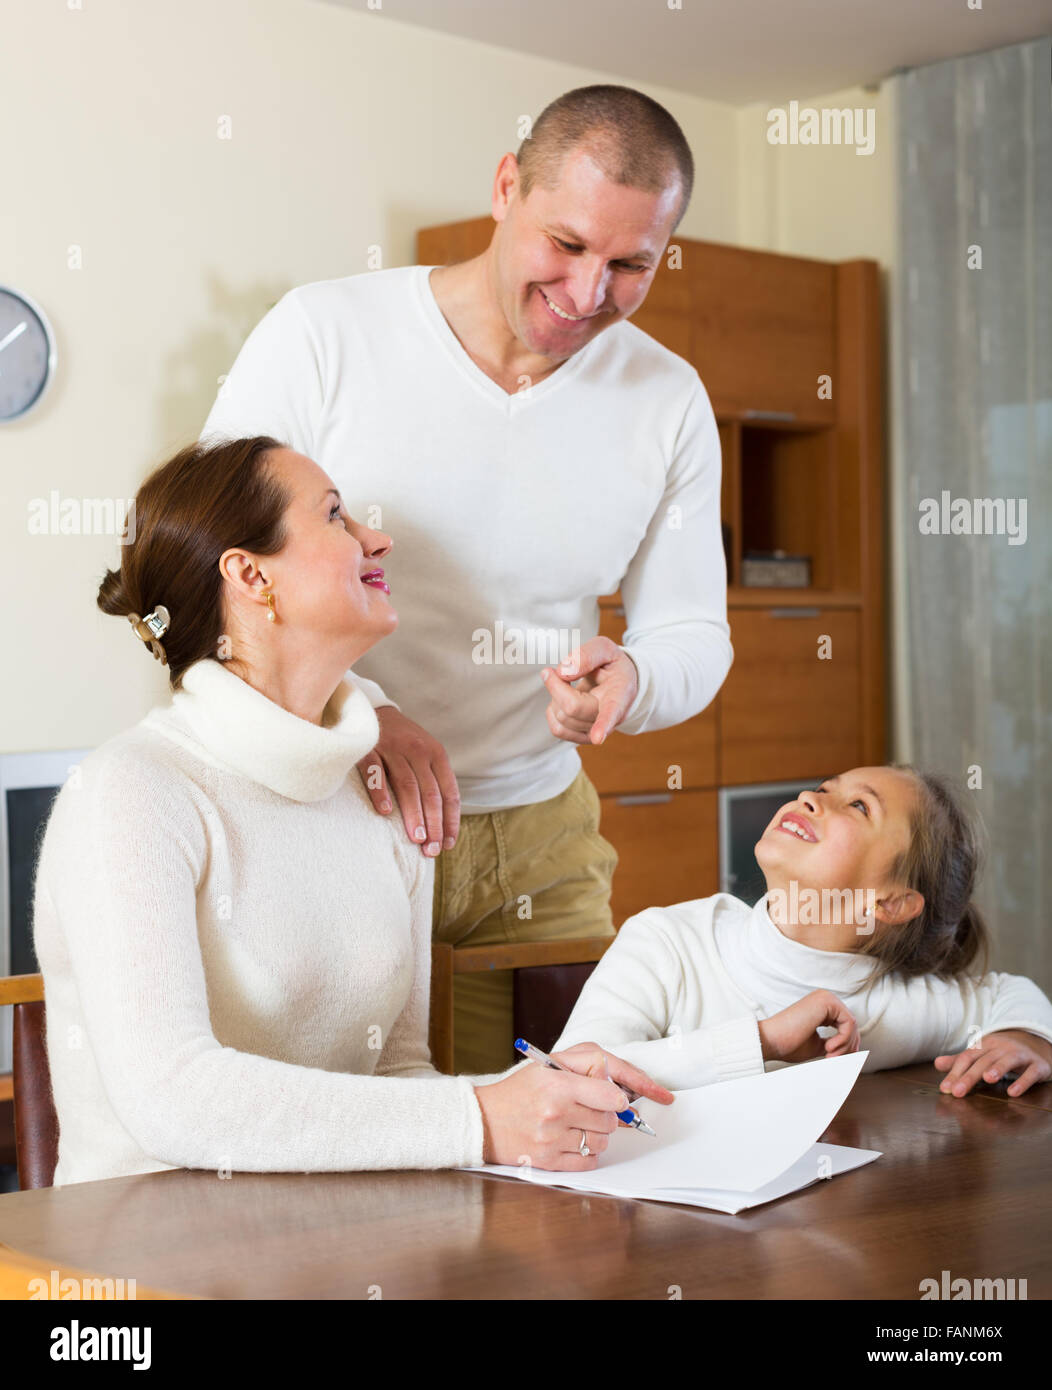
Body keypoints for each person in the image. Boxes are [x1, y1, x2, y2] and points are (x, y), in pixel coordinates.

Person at [199, 84, 732, 1072]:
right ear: (503, 188)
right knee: (349, 1154)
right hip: (336, 816)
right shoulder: (324, 334)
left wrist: (634, 679)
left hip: (542, 837)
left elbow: (693, 631)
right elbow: (199, 580)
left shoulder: (664, 399)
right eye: (565, 245)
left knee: (557, 1144)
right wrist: (358, 711)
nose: (585, 294)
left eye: (628, 265)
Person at [31, 436, 675, 1188]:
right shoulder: (132, 793)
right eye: (336, 516)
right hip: (150, 1263)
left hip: (337, 1243)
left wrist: (541, 1099)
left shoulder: (380, 791)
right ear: (250, 575)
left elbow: (398, 1073)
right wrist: (481, 1116)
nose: (378, 538)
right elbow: (169, 1097)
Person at [552, 765, 1052, 1095]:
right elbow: (566, 1080)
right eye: (824, 788)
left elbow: (1011, 995)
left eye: (859, 806)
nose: (810, 797)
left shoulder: (894, 1006)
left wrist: (1028, 1038)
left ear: (893, 902)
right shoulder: (666, 944)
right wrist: (763, 1042)